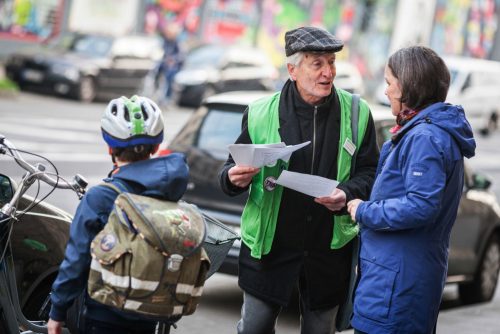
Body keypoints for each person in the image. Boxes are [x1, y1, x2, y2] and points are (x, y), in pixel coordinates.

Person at [219, 26, 379, 334]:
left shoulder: (357, 113)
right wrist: (233, 177)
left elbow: (371, 173)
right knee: (253, 328)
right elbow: (228, 170)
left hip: (328, 250)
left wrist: (345, 193)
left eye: (331, 62)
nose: (328, 72)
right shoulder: (259, 112)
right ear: (292, 69)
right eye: (317, 63)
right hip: (270, 248)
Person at [347, 46, 476, 334]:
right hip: (394, 278)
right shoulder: (423, 132)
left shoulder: (425, 138)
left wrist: (363, 210)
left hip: (396, 286)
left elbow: (421, 206)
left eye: (390, 83)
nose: (386, 92)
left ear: (409, 87)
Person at [47, 95, 189, 334]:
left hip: (104, 314)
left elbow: (77, 259)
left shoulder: (101, 197)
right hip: (150, 314)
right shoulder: (169, 190)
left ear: (110, 147)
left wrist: (57, 312)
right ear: (156, 147)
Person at [159, 23, 183, 105]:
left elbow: (180, 55)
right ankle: (157, 91)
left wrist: (173, 60)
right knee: (157, 70)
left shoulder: (177, 43)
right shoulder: (165, 41)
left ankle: (167, 98)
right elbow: (161, 52)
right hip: (164, 63)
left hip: (173, 66)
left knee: (170, 77)